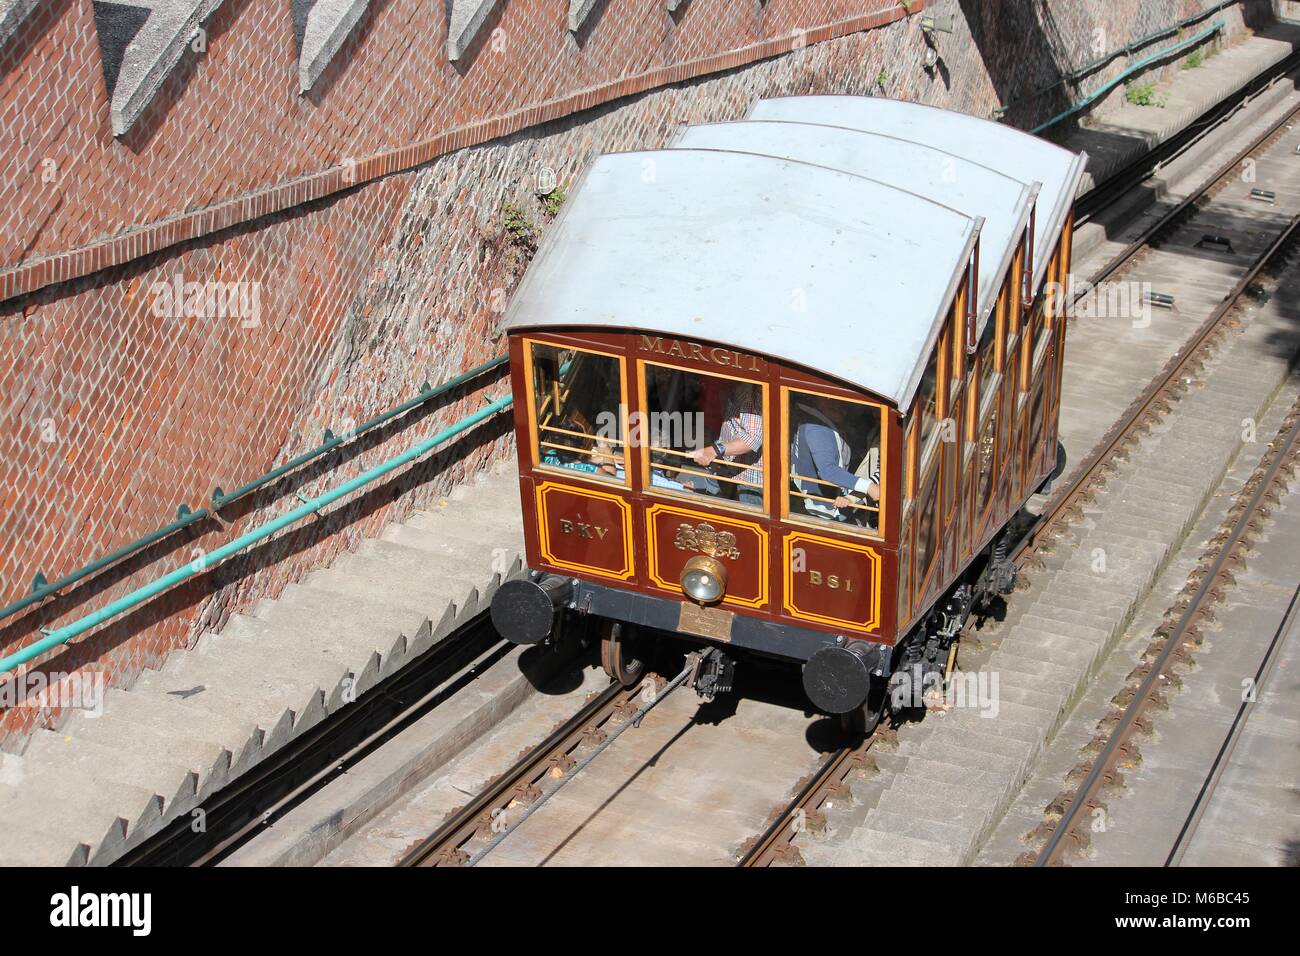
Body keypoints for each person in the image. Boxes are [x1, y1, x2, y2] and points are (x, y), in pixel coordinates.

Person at [790, 396, 879, 522]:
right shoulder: (817, 429)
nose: (839, 405)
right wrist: (870, 487)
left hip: (835, 498)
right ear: (817, 400)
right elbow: (828, 471)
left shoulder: (828, 421)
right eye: (829, 400)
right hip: (820, 507)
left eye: (839, 400)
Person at [690, 386, 763, 506]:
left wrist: (714, 450)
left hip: (750, 480)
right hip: (730, 467)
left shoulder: (750, 395)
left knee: (748, 520)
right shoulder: (738, 387)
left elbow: (752, 439)